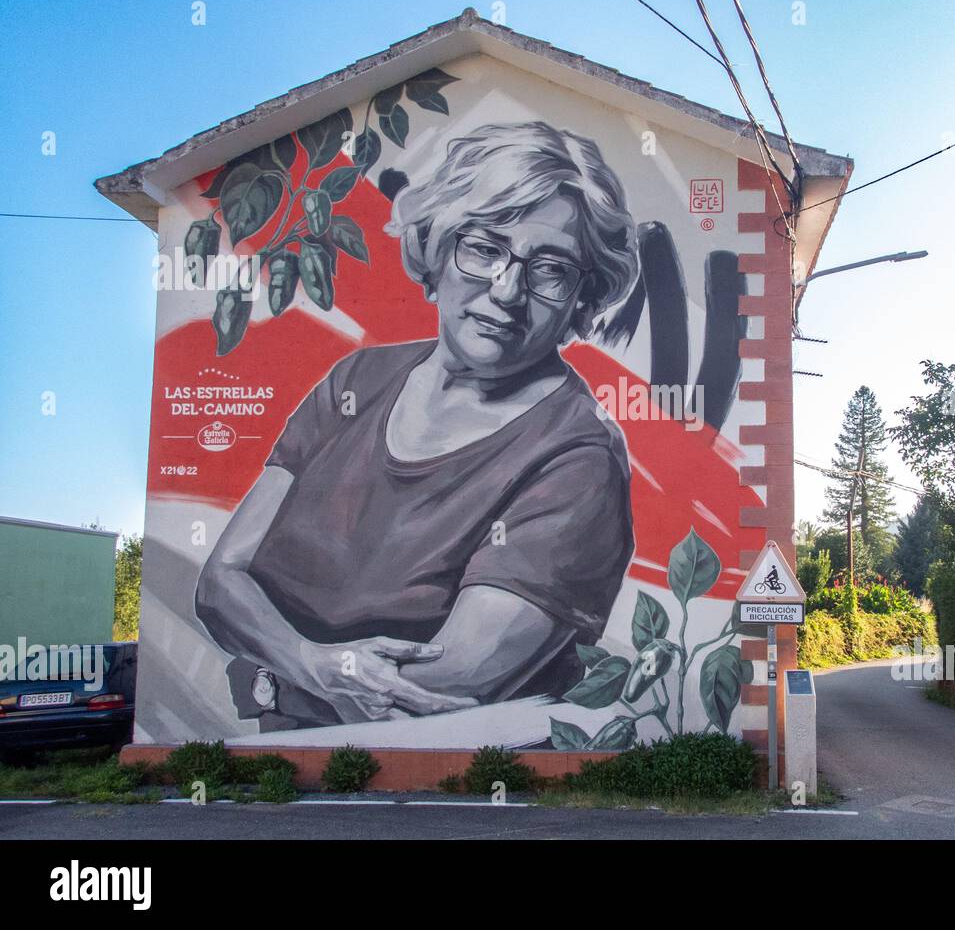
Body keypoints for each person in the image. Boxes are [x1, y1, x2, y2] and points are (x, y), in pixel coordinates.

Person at [195, 121, 639, 730]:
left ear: (581, 300)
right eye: (483, 248)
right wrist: (309, 661)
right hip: (292, 768)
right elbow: (220, 582)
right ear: (437, 244)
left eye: (550, 269)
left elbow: (449, 683)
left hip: (460, 786)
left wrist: (272, 679)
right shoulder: (356, 380)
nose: (507, 290)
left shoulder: (578, 456)